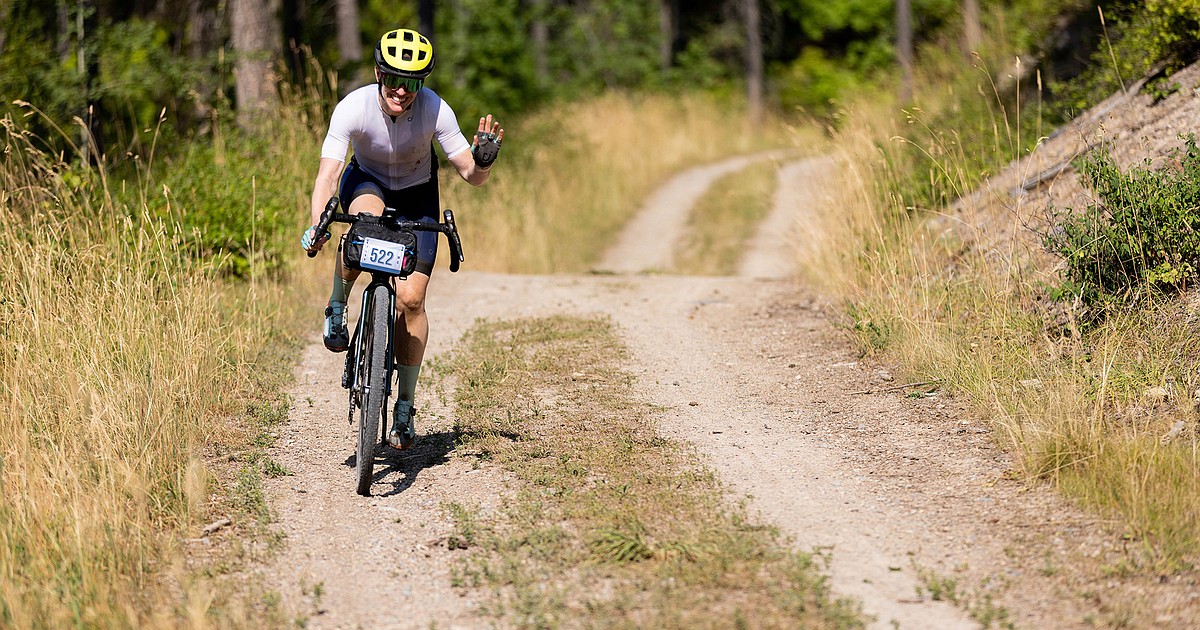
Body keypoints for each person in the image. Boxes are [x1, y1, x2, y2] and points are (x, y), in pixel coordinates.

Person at [301, 27, 503, 449]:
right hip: (367, 183)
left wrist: (483, 161)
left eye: (411, 81)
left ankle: (405, 408)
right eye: (393, 78)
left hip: (417, 196)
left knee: (412, 300)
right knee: (364, 231)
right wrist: (319, 222)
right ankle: (337, 306)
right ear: (378, 73)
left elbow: (471, 174)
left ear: (421, 84)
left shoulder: (434, 110)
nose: (400, 90)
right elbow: (328, 174)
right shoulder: (352, 107)